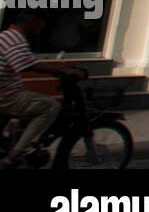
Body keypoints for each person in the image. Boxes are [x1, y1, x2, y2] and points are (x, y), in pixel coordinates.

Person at [0, 13, 86, 168]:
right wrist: (63, 71)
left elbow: (27, 63)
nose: (42, 28)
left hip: (7, 91)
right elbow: (28, 65)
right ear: (33, 22)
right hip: (6, 96)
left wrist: (53, 71)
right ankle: (16, 154)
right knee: (50, 106)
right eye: (41, 24)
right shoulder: (15, 39)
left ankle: (16, 135)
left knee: (31, 100)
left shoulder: (7, 36)